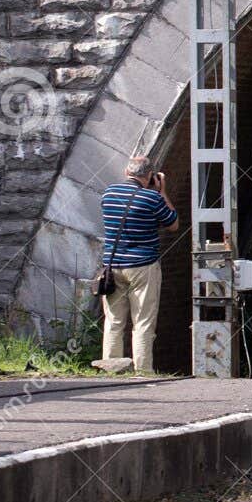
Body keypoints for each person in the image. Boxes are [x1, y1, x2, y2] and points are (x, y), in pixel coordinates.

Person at [91, 155, 179, 375]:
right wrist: (162, 192)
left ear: (126, 172)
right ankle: (142, 372)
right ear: (149, 175)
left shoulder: (109, 194)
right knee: (143, 323)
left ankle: (111, 370)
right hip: (143, 267)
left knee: (114, 322)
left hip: (113, 267)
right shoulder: (152, 199)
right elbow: (173, 224)